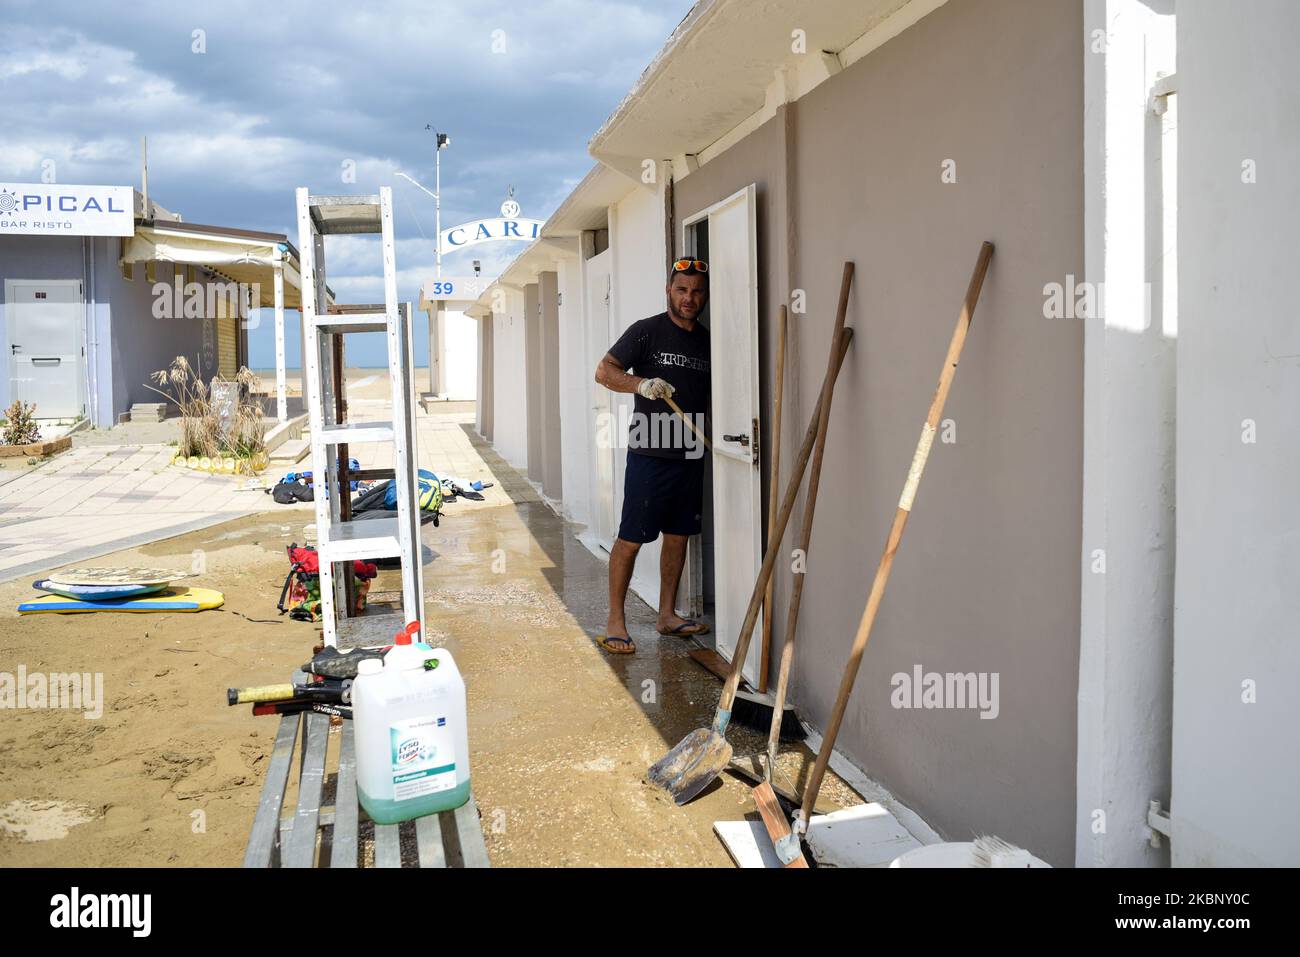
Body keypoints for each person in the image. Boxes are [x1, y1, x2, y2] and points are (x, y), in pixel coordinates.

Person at [592, 258, 712, 654]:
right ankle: (615, 621)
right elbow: (604, 371)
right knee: (631, 538)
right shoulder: (646, 332)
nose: (689, 298)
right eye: (682, 290)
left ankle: (667, 615)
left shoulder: (707, 341)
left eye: (696, 291)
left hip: (691, 453)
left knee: (678, 537)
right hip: (650, 452)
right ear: (669, 291)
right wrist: (641, 384)